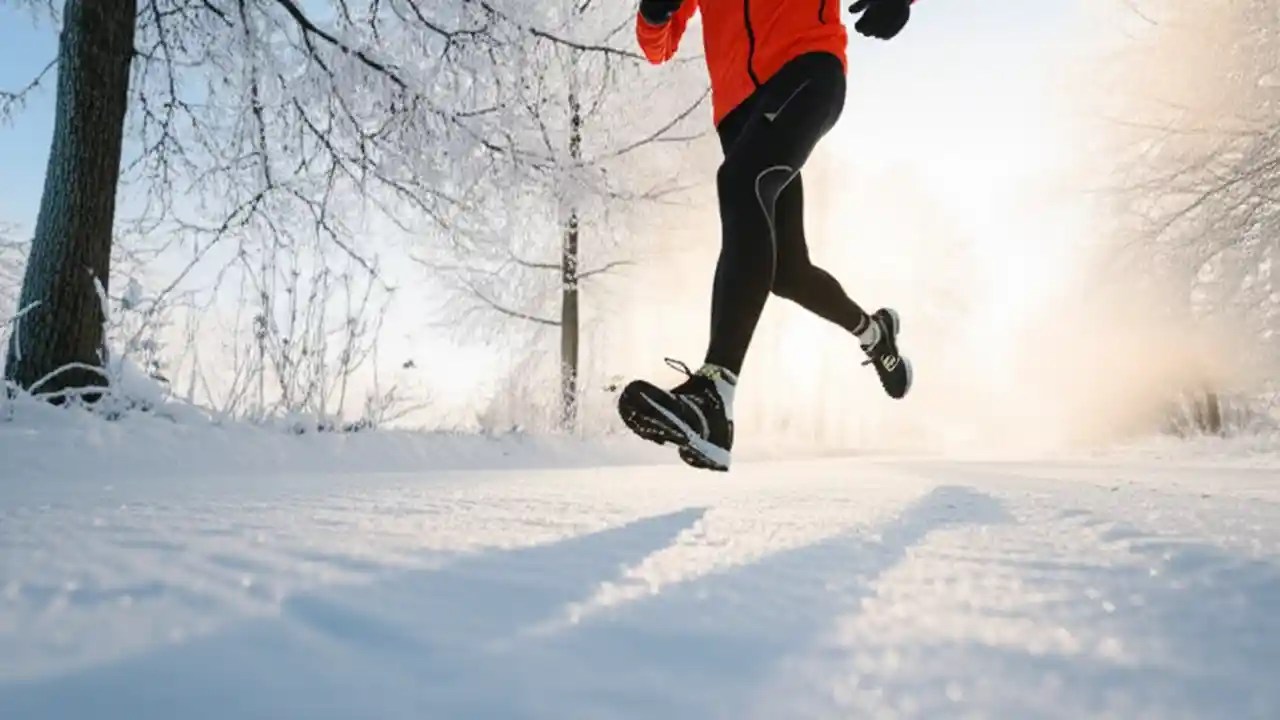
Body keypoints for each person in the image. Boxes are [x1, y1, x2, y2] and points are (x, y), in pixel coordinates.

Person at [617, 0, 916, 471]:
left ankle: (714, 396)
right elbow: (658, 45)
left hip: (807, 67)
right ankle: (874, 332)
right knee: (788, 272)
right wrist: (654, 15)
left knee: (741, 181)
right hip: (739, 113)